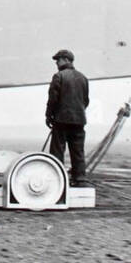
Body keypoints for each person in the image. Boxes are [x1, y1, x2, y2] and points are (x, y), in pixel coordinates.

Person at [46, 48, 89, 187]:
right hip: (79, 120)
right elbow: (86, 100)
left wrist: (49, 115)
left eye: (58, 59)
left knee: (57, 150)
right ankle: (80, 179)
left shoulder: (59, 76)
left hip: (61, 120)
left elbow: (53, 99)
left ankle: (56, 179)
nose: (56, 62)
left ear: (66, 60)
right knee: (78, 151)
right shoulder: (83, 77)